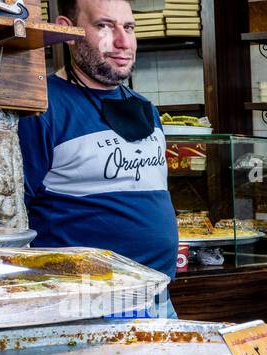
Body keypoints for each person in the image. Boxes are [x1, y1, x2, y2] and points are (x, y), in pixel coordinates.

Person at [18, 0, 178, 284]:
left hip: (157, 293)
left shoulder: (144, 107)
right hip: (80, 300)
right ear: (68, 32)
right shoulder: (41, 108)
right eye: (104, 26)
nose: (122, 42)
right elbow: (15, 212)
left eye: (128, 28)